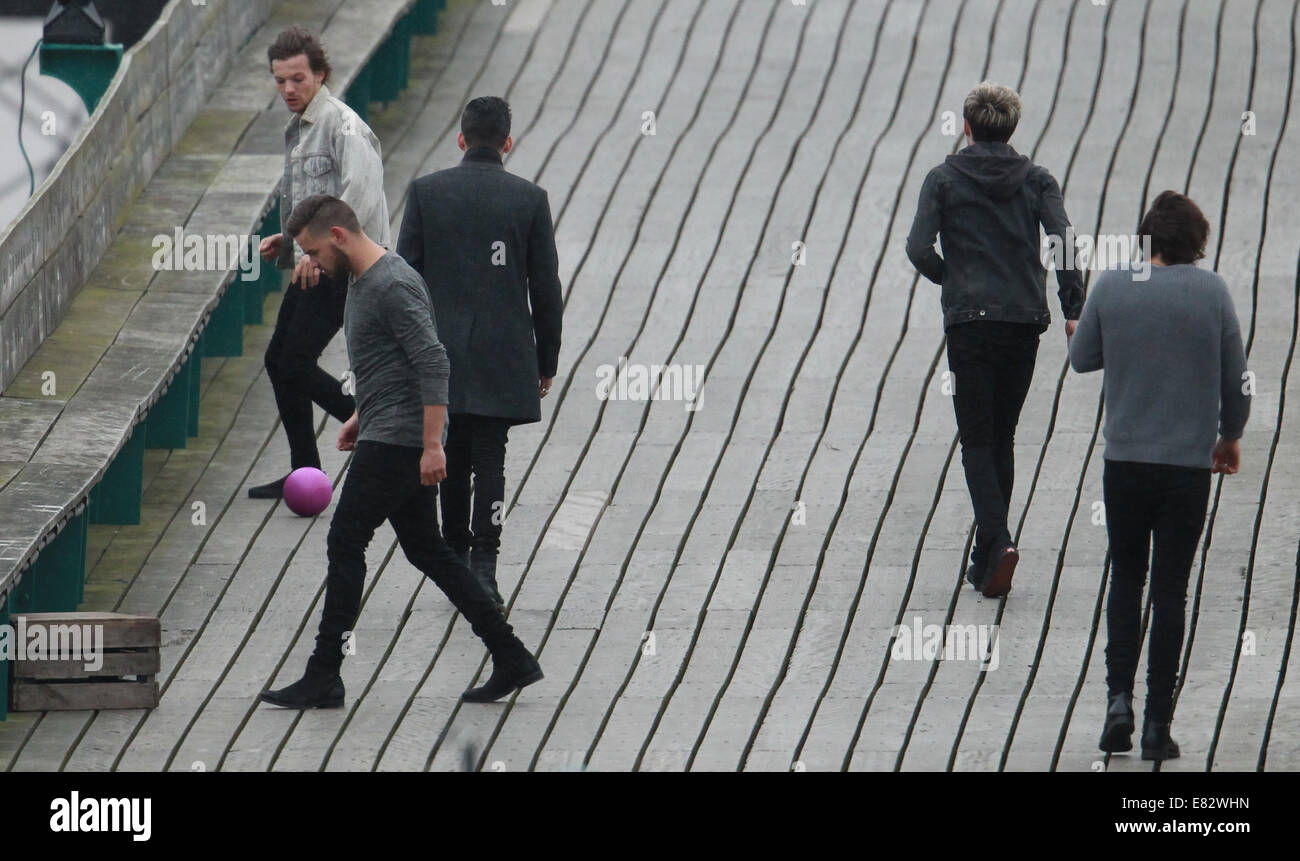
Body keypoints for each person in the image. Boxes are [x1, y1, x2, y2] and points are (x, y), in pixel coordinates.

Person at [259, 195, 543, 709]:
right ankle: (511, 656)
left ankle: (324, 673)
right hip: (386, 429)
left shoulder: (392, 283)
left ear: (340, 237)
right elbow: (389, 364)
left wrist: (433, 445)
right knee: (426, 549)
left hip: (402, 441)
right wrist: (359, 415)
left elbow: (433, 362)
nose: (313, 263)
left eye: (315, 252)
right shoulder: (362, 281)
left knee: (346, 540)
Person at [1071, 190, 1250, 761]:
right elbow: (1236, 380)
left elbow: (1082, 359)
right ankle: (1156, 724)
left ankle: (1116, 700)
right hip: (1185, 467)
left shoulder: (1114, 286)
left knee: (1126, 577)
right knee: (1170, 587)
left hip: (1124, 462)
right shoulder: (1212, 293)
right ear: (1195, 242)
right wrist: (1230, 435)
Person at [906, 81, 1084, 598]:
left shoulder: (942, 179)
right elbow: (1065, 242)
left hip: (970, 325)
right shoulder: (1037, 181)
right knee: (1002, 436)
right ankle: (987, 559)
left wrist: (952, 278)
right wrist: (1073, 306)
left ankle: (998, 541)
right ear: (1011, 127)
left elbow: (918, 248)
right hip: (1023, 323)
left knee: (977, 438)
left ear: (966, 126)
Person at [397, 96, 563, 610]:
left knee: (450, 453)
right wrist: (546, 359)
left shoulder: (426, 193)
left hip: (439, 352)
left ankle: (454, 555)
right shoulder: (529, 200)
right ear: (508, 144)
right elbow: (546, 287)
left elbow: (404, 277)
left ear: (461, 138)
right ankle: (485, 565)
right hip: (503, 352)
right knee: (491, 461)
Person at [248, 27, 391, 500]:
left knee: (292, 361)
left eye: (297, 79)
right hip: (315, 261)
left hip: (344, 267)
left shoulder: (342, 124)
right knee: (279, 360)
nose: (288, 90)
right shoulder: (302, 126)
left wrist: (315, 252)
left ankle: (369, 422)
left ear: (320, 75)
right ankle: (304, 473)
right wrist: (288, 243)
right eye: (280, 81)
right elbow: (310, 201)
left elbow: (361, 197)